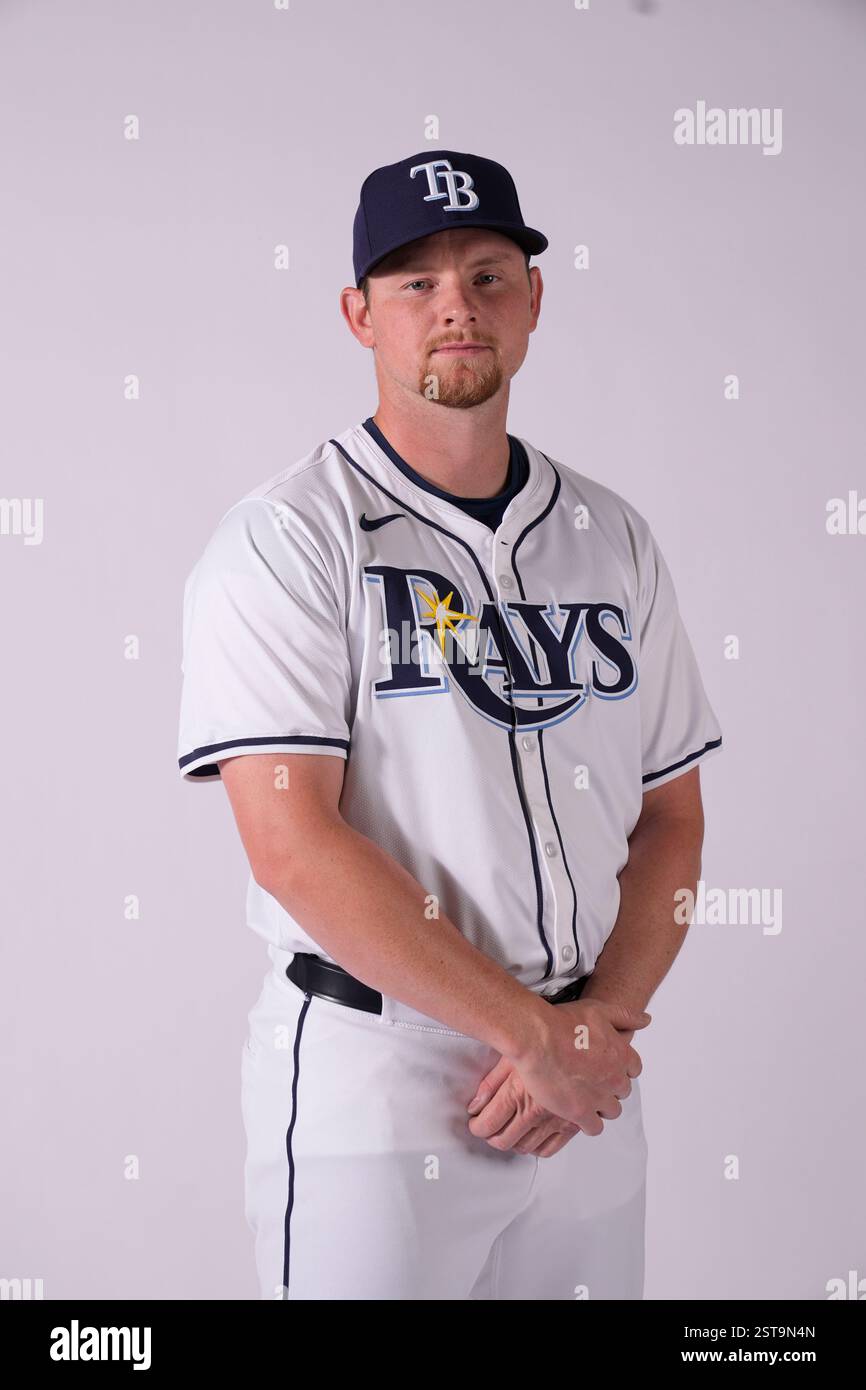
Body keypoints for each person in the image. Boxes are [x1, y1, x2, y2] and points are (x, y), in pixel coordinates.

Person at [177, 149, 723, 1300]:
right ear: (356, 313)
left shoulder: (608, 536)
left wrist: (592, 1028)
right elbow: (291, 845)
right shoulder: (289, 538)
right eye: (414, 283)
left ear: (531, 301)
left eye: (485, 273)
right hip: (376, 1079)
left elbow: (669, 818)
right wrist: (529, 1034)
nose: (455, 307)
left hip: (583, 1085)